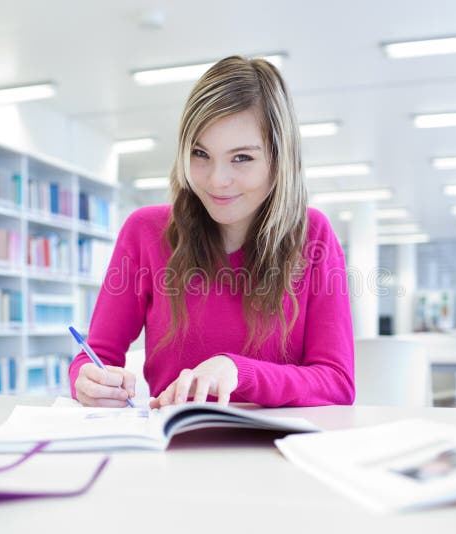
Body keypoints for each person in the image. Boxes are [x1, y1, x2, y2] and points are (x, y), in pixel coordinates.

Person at [69, 56, 355, 408]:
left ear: (279, 160)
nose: (217, 180)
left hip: (276, 452)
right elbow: (95, 355)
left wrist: (239, 372)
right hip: (173, 448)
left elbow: (337, 383)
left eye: (241, 158)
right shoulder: (145, 232)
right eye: (200, 153)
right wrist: (89, 379)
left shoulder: (314, 236)